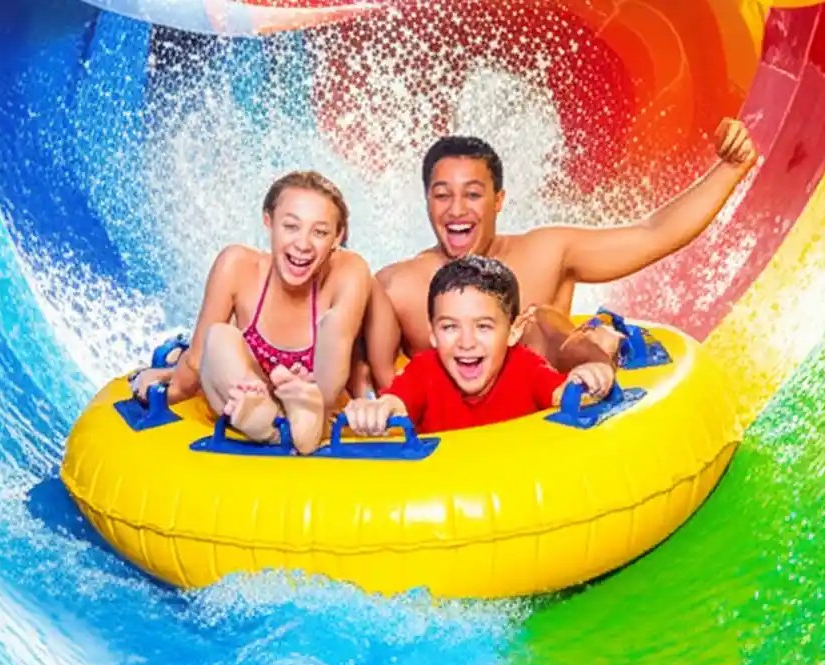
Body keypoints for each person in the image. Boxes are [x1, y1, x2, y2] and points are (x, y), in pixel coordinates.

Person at [359, 118, 759, 391]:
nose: (457, 210)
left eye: (473, 194)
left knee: (538, 321)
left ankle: (601, 347)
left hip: (553, 427)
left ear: (498, 200)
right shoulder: (398, 287)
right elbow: (364, 379)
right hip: (462, 449)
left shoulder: (547, 252)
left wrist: (729, 168)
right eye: (442, 195)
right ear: (427, 201)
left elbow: (653, 233)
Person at [131, 170, 372, 454]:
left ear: (337, 237)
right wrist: (164, 392)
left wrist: (353, 399)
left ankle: (298, 415)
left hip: (318, 397)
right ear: (268, 222)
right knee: (219, 337)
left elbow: (340, 357)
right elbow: (196, 361)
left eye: (319, 232)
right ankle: (268, 420)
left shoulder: (350, 271)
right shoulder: (237, 265)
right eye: (291, 226)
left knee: (333, 326)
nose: (303, 244)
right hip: (248, 392)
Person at [343, 256, 614, 436]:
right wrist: (375, 411)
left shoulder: (525, 368)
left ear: (513, 331)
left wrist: (587, 378)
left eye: (483, 326)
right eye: (450, 327)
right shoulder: (424, 371)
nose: (466, 342)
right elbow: (395, 403)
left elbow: (563, 394)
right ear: (433, 333)